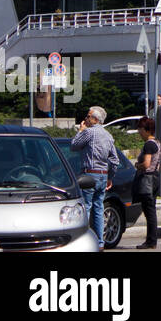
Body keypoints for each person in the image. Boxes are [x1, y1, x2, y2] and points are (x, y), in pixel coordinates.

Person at [70, 106, 119, 250]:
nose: (85, 119)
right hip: (103, 174)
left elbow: (74, 145)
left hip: (89, 173)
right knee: (99, 207)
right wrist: (110, 176)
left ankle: (81, 239)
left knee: (86, 206)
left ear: (95, 119)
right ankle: (100, 242)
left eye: (88, 116)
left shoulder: (89, 132)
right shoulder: (108, 135)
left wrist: (80, 131)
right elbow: (115, 160)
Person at [132, 117, 161, 249]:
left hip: (147, 179)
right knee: (151, 210)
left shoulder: (149, 144)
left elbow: (147, 164)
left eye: (140, 129)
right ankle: (152, 240)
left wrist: (138, 165)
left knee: (149, 211)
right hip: (155, 178)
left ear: (146, 129)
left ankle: (151, 240)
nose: (139, 132)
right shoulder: (157, 142)